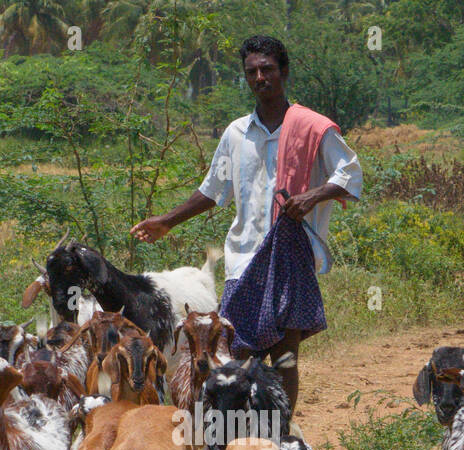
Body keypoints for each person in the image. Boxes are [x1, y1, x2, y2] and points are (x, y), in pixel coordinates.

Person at [130, 34, 362, 411]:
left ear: (283, 72)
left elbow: (350, 175)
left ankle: (280, 433)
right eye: (251, 71)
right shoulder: (236, 133)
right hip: (242, 258)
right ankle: (234, 439)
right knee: (232, 352)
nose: (259, 77)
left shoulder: (312, 128)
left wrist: (311, 196)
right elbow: (212, 190)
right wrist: (167, 221)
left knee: (285, 354)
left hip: (291, 253)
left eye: (267, 69)